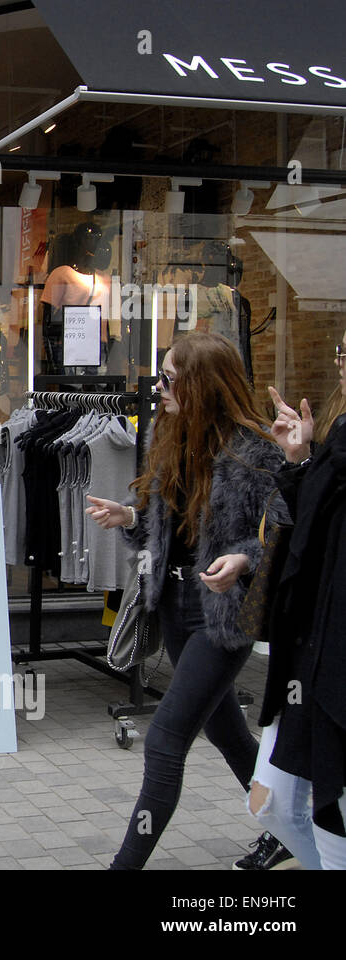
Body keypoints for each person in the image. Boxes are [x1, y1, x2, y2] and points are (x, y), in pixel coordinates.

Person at [85, 332, 285, 869]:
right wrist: (128, 517)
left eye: (169, 377)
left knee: (165, 739)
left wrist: (244, 558)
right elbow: (162, 521)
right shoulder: (170, 435)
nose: (159, 385)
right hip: (172, 602)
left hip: (221, 614)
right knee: (224, 727)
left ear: (201, 383)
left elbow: (281, 533)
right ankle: (285, 829)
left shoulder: (257, 450)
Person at [250, 329, 346, 869]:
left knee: (330, 819)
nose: (340, 366)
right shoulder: (335, 447)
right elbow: (304, 539)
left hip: (330, 663)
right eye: (342, 353)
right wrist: (300, 460)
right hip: (307, 657)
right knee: (271, 805)